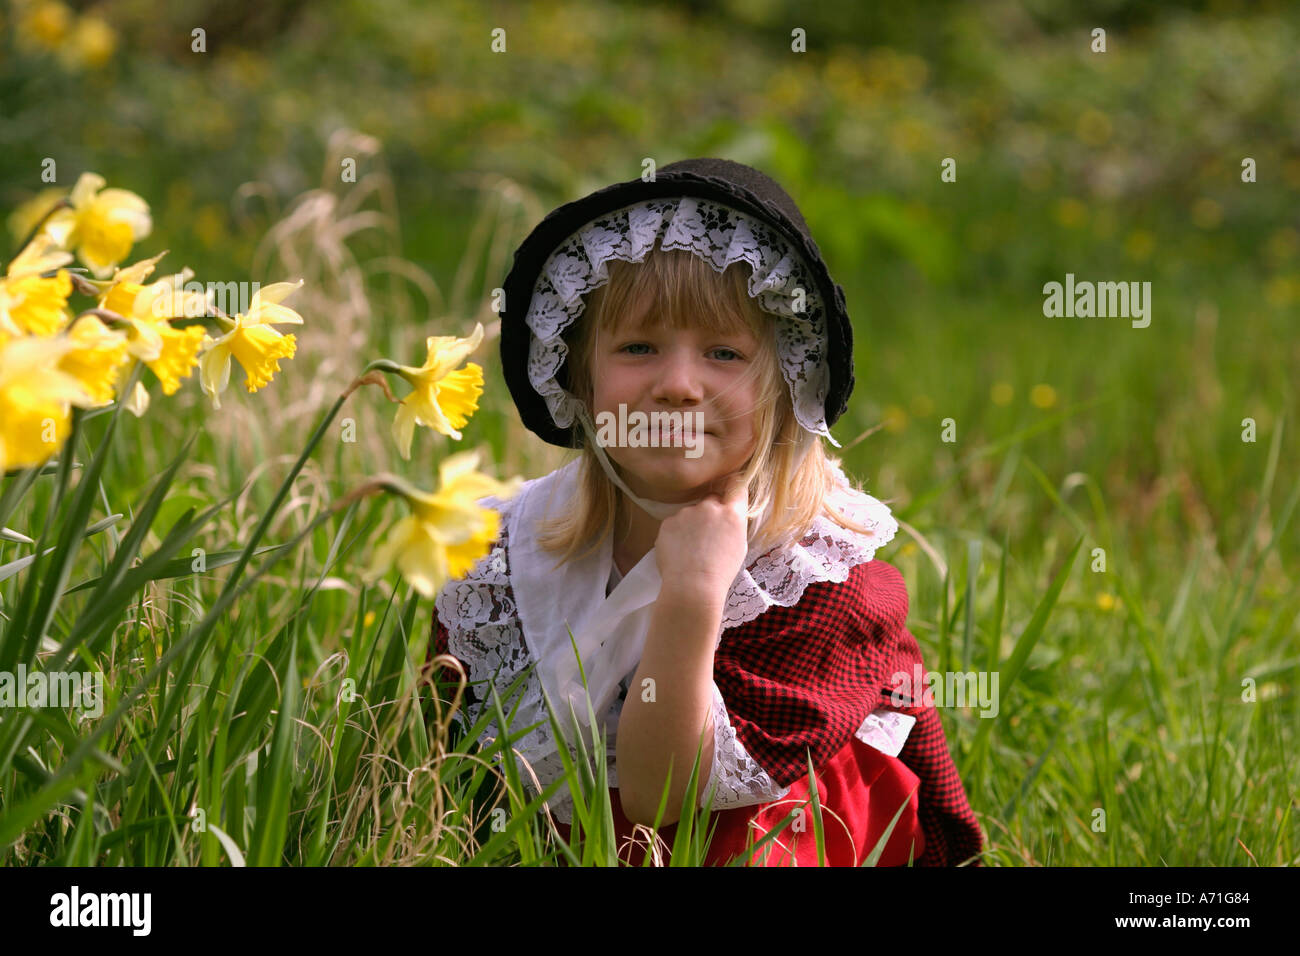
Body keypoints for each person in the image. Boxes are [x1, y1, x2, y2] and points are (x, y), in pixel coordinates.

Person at [424, 158, 983, 866]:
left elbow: (666, 798)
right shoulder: (504, 558)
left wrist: (691, 597)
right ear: (577, 372)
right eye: (638, 347)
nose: (679, 386)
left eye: (723, 352)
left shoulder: (817, 586)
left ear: (787, 383)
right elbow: (450, 782)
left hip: (753, 834)